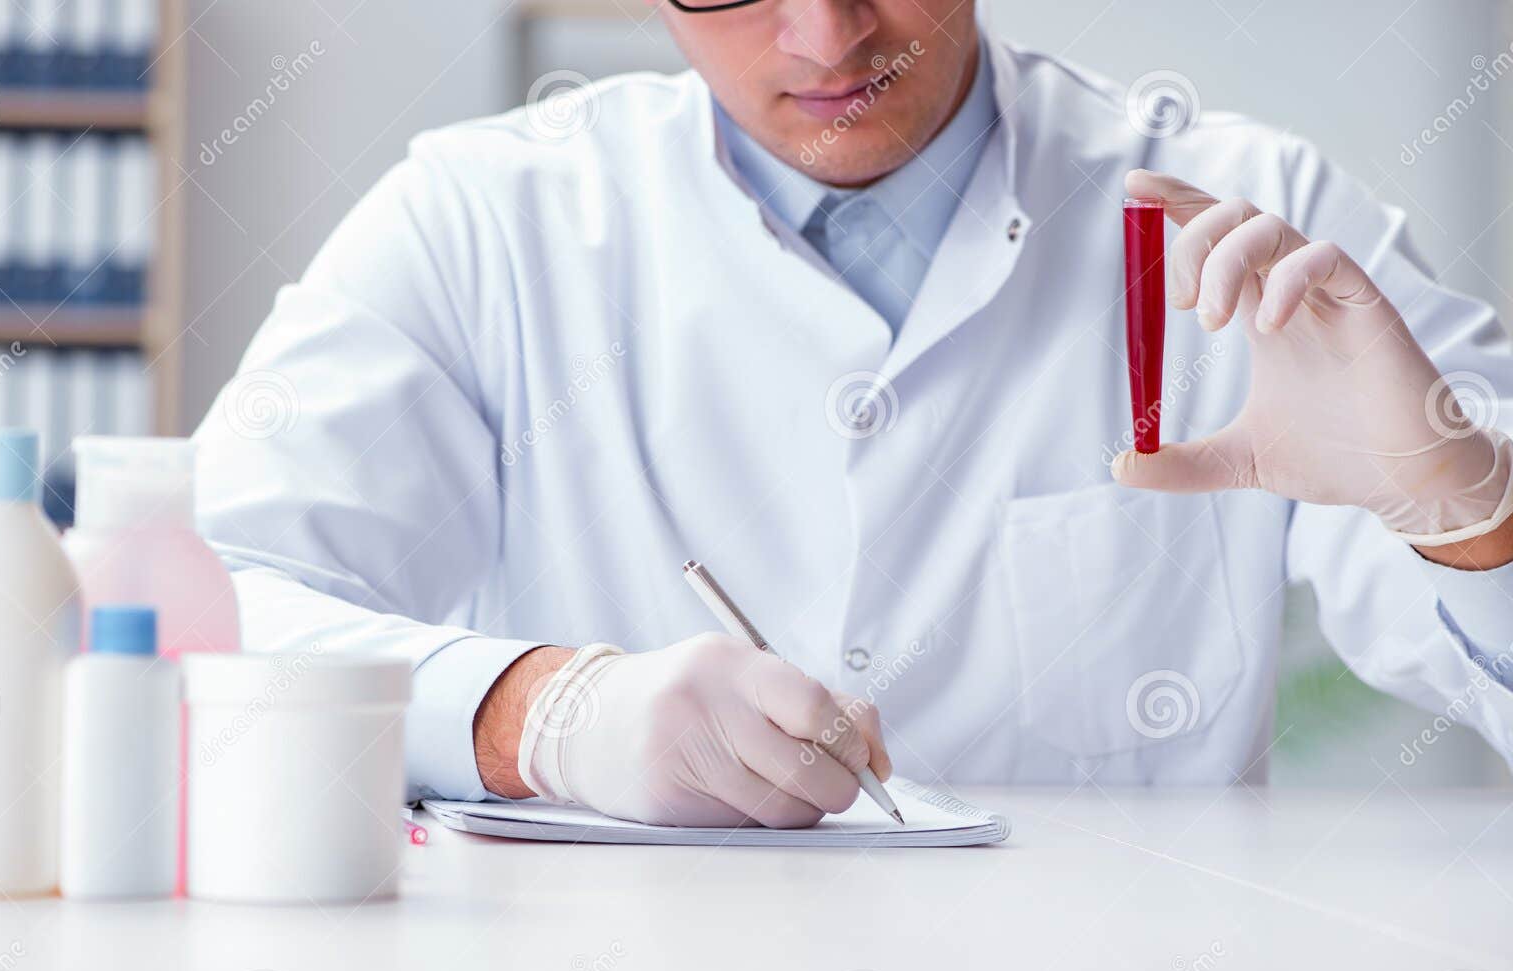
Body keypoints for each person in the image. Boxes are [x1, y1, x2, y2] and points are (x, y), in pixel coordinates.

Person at [193, 1, 1513, 827]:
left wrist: (1466, 510)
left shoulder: (1255, 215)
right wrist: (539, 714)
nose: (826, 36)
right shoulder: (480, 223)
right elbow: (202, 616)